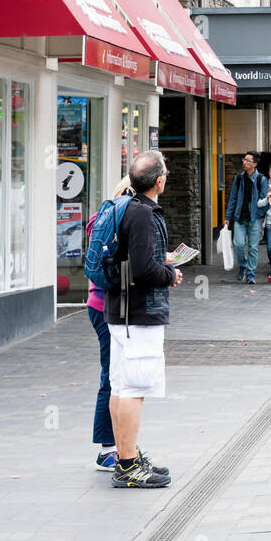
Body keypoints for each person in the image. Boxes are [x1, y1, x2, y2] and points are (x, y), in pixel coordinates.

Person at [104, 152, 181, 488]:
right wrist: (170, 273)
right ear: (159, 181)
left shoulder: (126, 207)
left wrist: (158, 260)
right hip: (138, 314)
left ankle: (127, 457)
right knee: (134, 389)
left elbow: (133, 258)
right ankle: (128, 466)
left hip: (119, 311)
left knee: (121, 386)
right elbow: (142, 269)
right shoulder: (143, 215)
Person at [86, 175, 132, 471]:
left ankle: (117, 441)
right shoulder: (120, 220)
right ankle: (107, 448)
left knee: (114, 374)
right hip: (107, 305)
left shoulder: (100, 218)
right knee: (111, 376)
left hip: (98, 303)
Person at [223, 152, 269, 284]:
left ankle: (250, 273)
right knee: (239, 244)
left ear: (254, 164)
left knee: (253, 247)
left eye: (248, 160)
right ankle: (243, 264)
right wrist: (227, 217)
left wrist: (260, 214)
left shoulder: (261, 179)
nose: (244, 162)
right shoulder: (238, 178)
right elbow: (232, 199)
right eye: (244, 159)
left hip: (254, 219)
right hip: (240, 218)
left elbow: (266, 201)